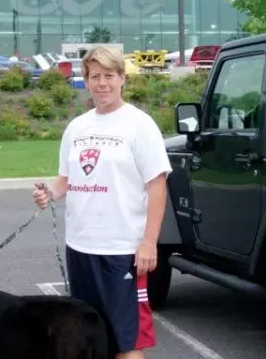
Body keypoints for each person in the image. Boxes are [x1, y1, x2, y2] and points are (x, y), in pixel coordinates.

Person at [33, 46, 172, 359]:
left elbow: (157, 185)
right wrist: (49, 193)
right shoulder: (78, 127)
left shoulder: (139, 124)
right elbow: (65, 179)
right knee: (90, 340)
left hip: (121, 251)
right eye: (95, 76)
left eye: (109, 75)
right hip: (81, 248)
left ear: (122, 78)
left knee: (127, 342)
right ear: (86, 81)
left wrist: (149, 242)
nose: (102, 83)